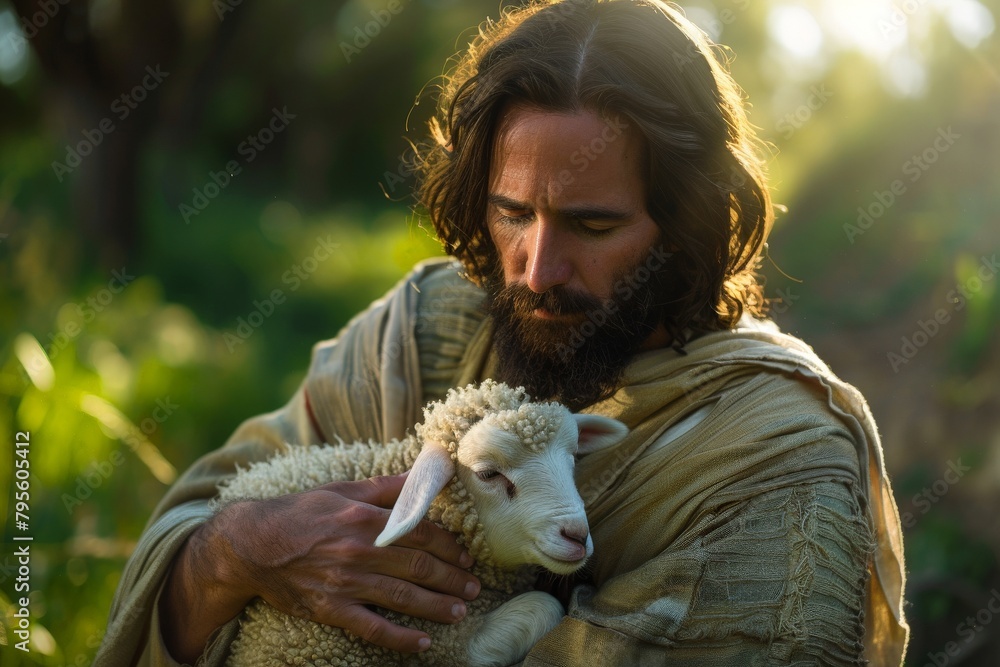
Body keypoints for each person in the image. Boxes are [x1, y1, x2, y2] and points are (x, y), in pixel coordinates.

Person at [95, 1, 909, 665]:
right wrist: (236, 550)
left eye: (592, 224)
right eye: (513, 213)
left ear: (687, 223)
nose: (536, 267)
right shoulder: (423, 335)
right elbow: (204, 529)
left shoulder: (776, 455)